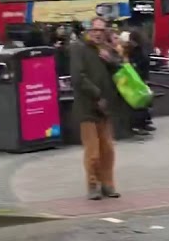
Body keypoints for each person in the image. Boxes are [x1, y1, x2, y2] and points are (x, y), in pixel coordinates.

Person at [70, 17, 124, 200]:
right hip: (87, 107)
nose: (98, 34)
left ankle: (107, 184)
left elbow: (120, 69)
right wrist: (97, 95)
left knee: (107, 149)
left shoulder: (106, 49)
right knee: (92, 151)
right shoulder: (78, 48)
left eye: (101, 30)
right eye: (94, 30)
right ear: (88, 30)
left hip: (105, 107)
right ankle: (93, 185)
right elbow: (78, 77)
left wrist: (111, 60)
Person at [125, 29, 156, 134]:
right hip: (137, 79)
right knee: (139, 103)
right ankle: (139, 124)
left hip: (140, 78)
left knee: (143, 102)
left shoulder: (137, 50)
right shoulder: (135, 51)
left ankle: (143, 122)